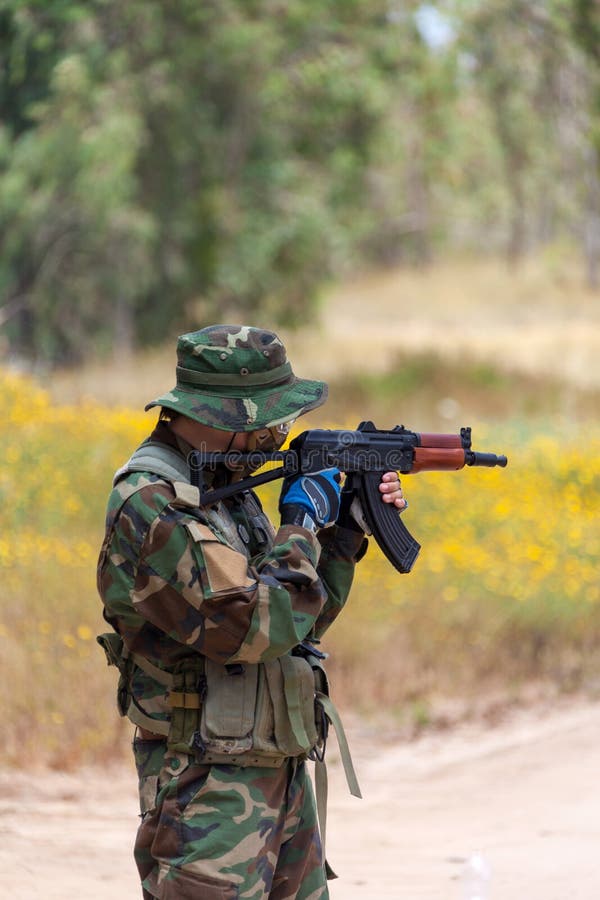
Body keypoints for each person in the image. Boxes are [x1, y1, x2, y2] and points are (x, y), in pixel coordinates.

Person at [97, 324, 406, 900]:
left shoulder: (224, 488)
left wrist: (341, 537)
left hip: (274, 770)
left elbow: (296, 626)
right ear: (222, 416)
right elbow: (252, 630)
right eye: (269, 420)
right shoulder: (153, 504)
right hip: (207, 788)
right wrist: (300, 529)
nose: (278, 434)